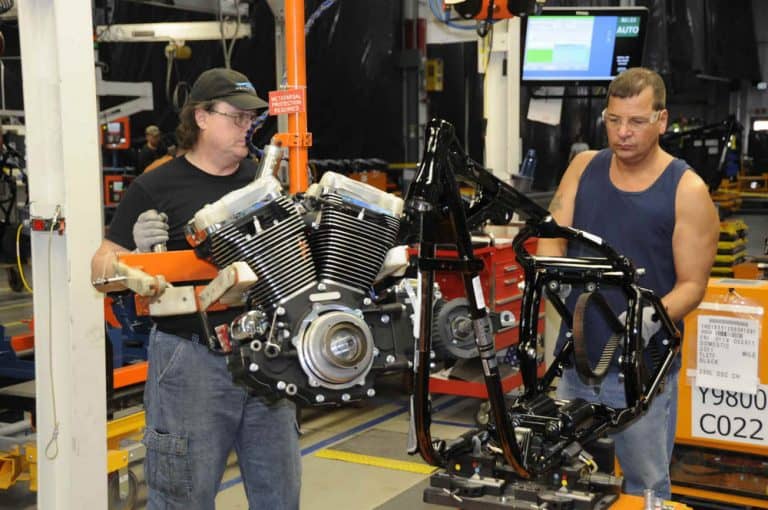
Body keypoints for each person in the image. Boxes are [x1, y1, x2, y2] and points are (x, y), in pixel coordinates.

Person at [91, 68, 300, 510]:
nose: (248, 126)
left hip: (268, 354)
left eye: (252, 119)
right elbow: (99, 269)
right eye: (236, 117)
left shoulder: (263, 185)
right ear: (202, 118)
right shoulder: (156, 185)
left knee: (280, 498)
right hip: (190, 364)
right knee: (182, 500)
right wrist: (133, 255)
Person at [537, 67, 719, 499]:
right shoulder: (583, 168)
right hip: (576, 356)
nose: (623, 133)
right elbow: (551, 242)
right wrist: (554, 289)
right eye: (614, 120)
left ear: (662, 120)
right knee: (564, 473)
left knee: (645, 482)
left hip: (643, 365)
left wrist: (642, 322)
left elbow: (693, 284)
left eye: (636, 121)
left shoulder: (686, 189)